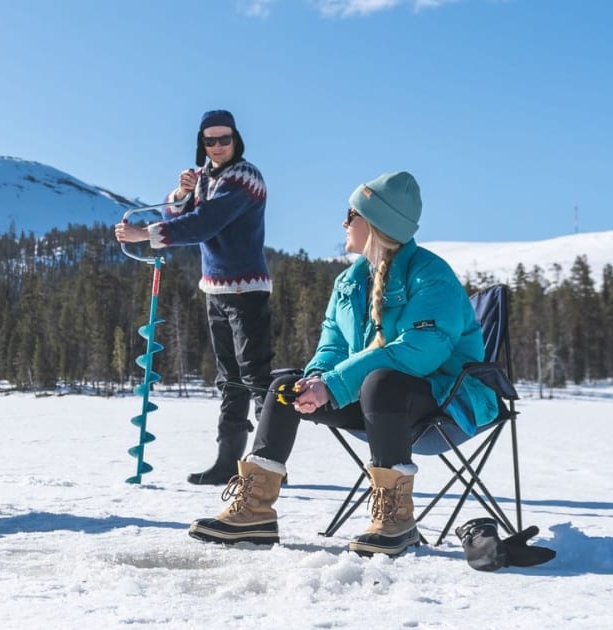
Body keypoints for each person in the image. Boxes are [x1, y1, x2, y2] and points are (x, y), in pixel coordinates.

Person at [187, 171, 499, 556]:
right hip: (372, 398)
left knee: (383, 381)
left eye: (351, 214)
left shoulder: (432, 278)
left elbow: (420, 352)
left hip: (444, 399)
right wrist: (316, 379)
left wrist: (334, 385)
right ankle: (255, 512)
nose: (343, 222)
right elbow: (332, 345)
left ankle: (395, 519)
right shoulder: (349, 283)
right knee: (285, 385)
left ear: (377, 222)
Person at [115, 109, 274, 486]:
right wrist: (183, 192)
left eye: (224, 139)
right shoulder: (205, 177)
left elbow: (204, 223)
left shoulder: (244, 177)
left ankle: (269, 461)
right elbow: (181, 210)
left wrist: (146, 235)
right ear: (201, 144)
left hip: (247, 288)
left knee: (255, 376)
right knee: (229, 377)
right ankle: (227, 460)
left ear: (237, 141)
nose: (217, 146)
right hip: (215, 289)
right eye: (210, 141)